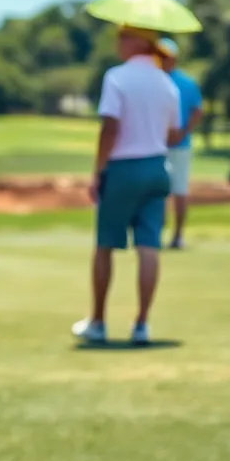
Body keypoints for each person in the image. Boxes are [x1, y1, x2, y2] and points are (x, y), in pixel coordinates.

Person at [72, 27, 181, 346]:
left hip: (123, 167)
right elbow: (173, 133)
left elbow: (110, 126)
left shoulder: (117, 77)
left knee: (106, 244)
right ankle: (142, 324)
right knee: (148, 246)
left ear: (139, 42)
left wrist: (98, 171)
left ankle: (98, 322)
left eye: (122, 38)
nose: (117, 44)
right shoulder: (167, 82)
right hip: (158, 167)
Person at [156, 38, 203, 249]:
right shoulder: (154, 81)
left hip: (180, 145)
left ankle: (177, 236)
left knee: (179, 191)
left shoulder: (185, 82)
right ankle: (154, 234)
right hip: (157, 145)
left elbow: (197, 111)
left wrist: (183, 132)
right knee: (157, 191)